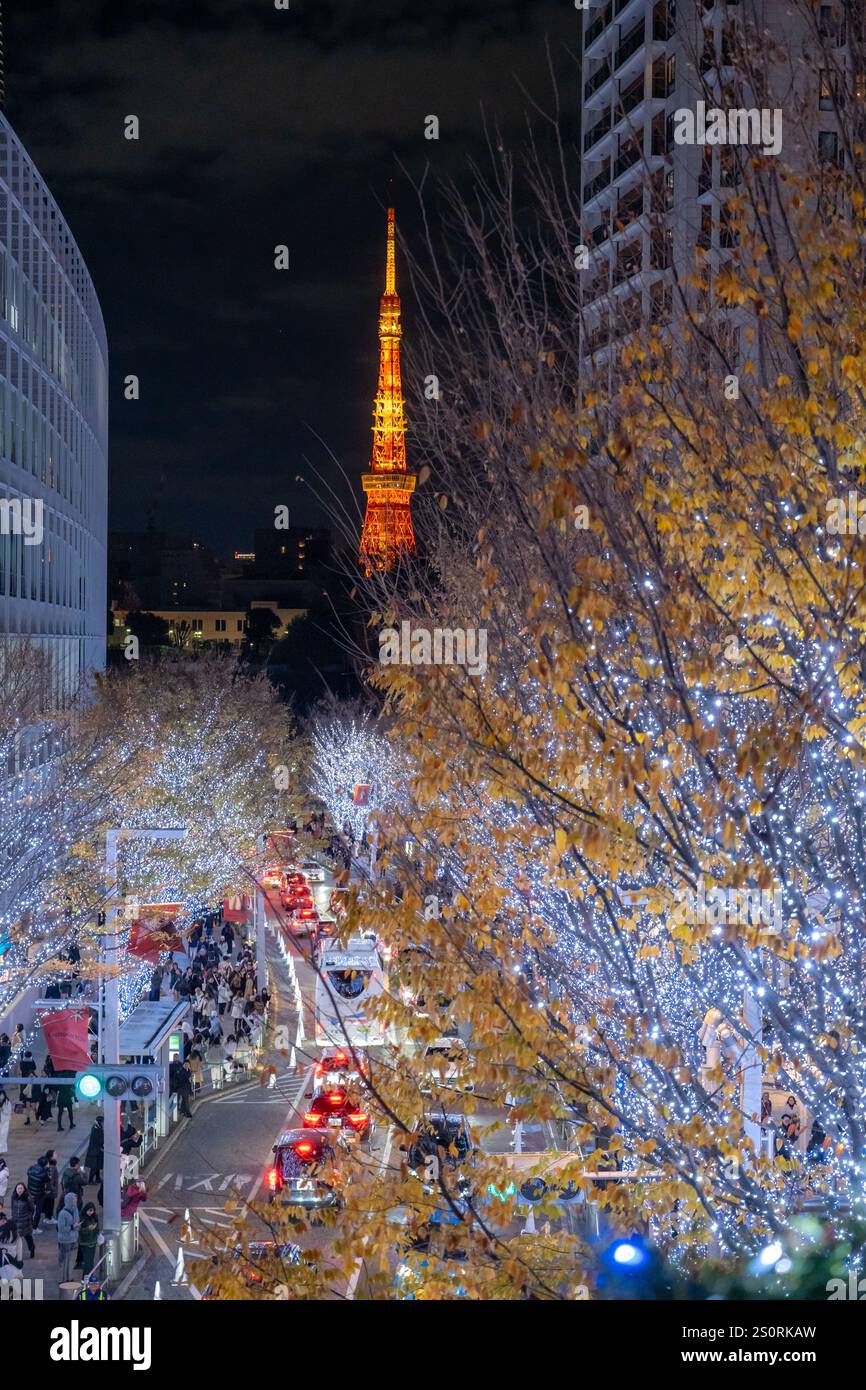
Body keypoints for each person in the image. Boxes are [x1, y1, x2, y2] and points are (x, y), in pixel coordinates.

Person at [57, 1192, 80, 1284]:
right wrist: (72, 1226)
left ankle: (69, 1277)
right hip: (65, 1240)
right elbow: (61, 1228)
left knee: (71, 1260)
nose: (75, 1201)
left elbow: (77, 1221)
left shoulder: (76, 1210)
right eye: (74, 1200)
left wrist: (77, 1226)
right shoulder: (62, 1214)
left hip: (74, 1238)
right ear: (69, 1201)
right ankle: (62, 1279)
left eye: (76, 1200)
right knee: (64, 1260)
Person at [10, 1182, 35, 1258]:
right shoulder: (13, 1197)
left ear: (24, 1189)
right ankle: (15, 1254)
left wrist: (29, 1217)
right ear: (16, 1189)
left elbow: (32, 1209)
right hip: (16, 1222)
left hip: (25, 1223)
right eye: (18, 1188)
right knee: (16, 1240)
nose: (19, 1190)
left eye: (21, 1188)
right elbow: (12, 1208)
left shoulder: (28, 1198)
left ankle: (32, 1249)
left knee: (28, 1238)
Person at [76, 1200, 101, 1274]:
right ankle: (85, 1278)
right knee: (87, 1262)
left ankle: (89, 1276)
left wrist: (95, 1228)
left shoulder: (94, 1217)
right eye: (89, 1211)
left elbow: (97, 1228)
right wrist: (88, 1229)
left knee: (91, 1261)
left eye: (92, 1211)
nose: (90, 1213)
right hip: (85, 1243)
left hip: (93, 1242)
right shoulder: (82, 1218)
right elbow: (80, 1230)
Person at [26, 1153, 48, 1232]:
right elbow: (48, 1179)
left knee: (31, 1209)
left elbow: (28, 1172)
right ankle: (34, 1227)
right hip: (39, 1194)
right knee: (38, 1211)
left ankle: (29, 1224)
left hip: (31, 1192)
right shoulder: (44, 1173)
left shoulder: (32, 1168)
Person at [0, 1213, 22, 1281]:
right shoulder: (17, 1236)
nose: (3, 1222)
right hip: (11, 1261)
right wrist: (19, 1262)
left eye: (4, 1220)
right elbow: (19, 1252)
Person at [19, 1050, 37, 1124]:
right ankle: (36, 1115)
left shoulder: (22, 1062)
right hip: (31, 1082)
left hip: (24, 1080)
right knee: (32, 1104)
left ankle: (29, 1118)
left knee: (26, 1096)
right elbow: (35, 1067)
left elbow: (21, 1068)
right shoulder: (31, 1061)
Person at [84, 1116, 104, 1183]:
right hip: (94, 1151)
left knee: (98, 1165)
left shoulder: (98, 1127)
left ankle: (97, 1178)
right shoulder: (96, 1129)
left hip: (97, 1150)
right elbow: (100, 1140)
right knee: (94, 1166)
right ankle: (90, 1180)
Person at [43, 1153, 59, 1225]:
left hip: (48, 1190)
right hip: (50, 1190)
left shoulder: (50, 1166)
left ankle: (47, 1217)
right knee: (50, 1203)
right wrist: (53, 1189)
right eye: (55, 1154)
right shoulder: (52, 1167)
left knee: (48, 1203)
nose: (56, 1155)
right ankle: (49, 1218)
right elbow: (51, 1179)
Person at [0, 1088, 11, 1154]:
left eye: (2, 1095)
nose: (1, 1096)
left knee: (3, 1135)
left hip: (5, 1120)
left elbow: (9, 1112)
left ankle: (2, 1150)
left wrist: (2, 1109)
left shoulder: (7, 1102)